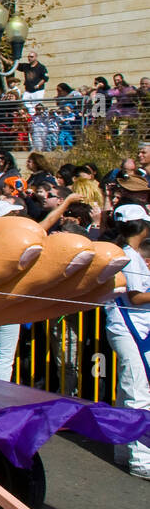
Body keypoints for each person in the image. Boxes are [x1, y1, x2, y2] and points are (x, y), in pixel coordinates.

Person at [103, 204, 150, 478]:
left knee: (127, 390)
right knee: (138, 393)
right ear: (143, 227)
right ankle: (142, 460)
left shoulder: (128, 254)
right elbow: (135, 297)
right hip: (127, 328)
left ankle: (123, 449)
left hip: (135, 328)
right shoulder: (128, 257)